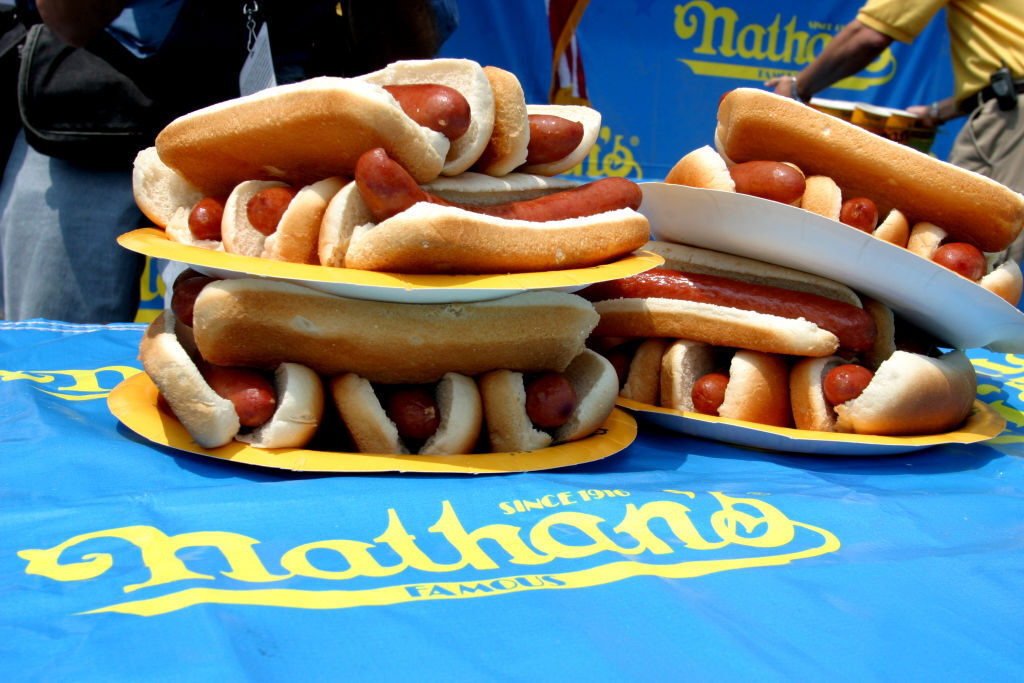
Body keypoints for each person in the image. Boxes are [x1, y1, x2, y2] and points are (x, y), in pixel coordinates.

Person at [0, 0, 458, 323]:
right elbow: (67, 18)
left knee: (224, 340)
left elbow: (411, 45)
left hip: (266, 138)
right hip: (86, 118)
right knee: (46, 350)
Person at [764, 0, 1024, 265]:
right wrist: (938, 112)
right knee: (964, 241)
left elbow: (869, 35)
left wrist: (797, 88)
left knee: (990, 249)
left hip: (1013, 116)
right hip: (1000, 104)